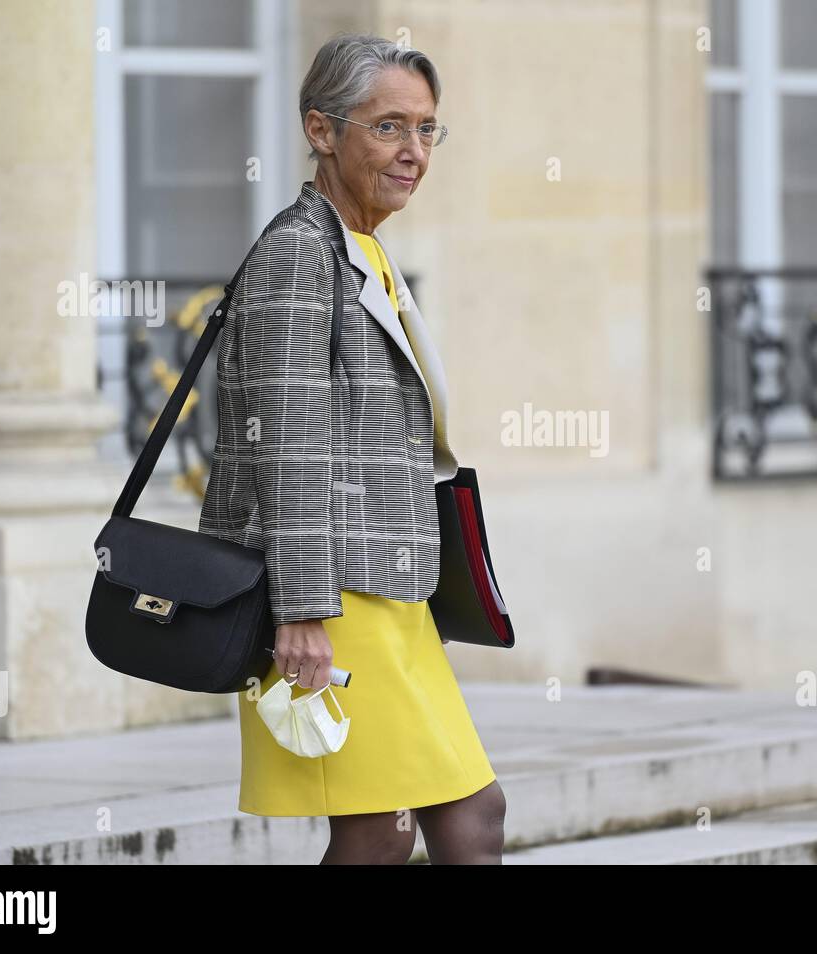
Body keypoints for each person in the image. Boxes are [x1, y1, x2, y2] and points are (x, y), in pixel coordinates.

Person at [198, 32, 505, 864]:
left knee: (463, 818)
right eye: (389, 128)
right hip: (331, 599)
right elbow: (286, 446)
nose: (413, 153)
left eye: (426, 130)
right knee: (383, 832)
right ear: (323, 130)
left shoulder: (360, 244)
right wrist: (301, 613)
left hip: (388, 594)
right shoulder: (300, 253)